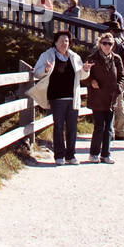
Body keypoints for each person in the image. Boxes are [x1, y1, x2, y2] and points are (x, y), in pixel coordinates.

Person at [34, 30, 88, 165]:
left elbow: (82, 76)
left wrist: (85, 69)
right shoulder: (47, 55)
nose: (65, 43)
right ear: (56, 42)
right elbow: (36, 72)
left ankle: (71, 155)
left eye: (67, 41)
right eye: (62, 40)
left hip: (72, 97)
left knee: (72, 127)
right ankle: (59, 155)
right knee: (58, 127)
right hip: (56, 97)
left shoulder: (74, 57)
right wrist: (46, 69)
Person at [85, 32, 124, 163]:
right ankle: (93, 153)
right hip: (97, 97)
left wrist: (119, 88)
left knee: (109, 127)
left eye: (110, 43)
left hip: (111, 97)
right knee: (99, 126)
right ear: (100, 44)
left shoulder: (116, 59)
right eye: (105, 43)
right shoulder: (92, 58)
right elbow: (84, 75)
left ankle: (106, 154)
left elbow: (122, 77)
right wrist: (91, 81)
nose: (107, 46)